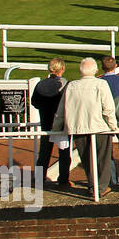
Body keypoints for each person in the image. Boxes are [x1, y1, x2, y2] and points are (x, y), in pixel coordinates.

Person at [52, 58, 119, 198]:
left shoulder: (71, 85)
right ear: (95, 70)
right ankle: (100, 187)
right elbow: (108, 108)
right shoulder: (101, 84)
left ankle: (93, 186)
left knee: (87, 159)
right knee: (102, 158)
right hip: (99, 128)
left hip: (78, 128)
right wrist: (113, 126)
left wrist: (56, 128)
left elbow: (61, 110)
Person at [31, 58, 71, 189]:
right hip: (62, 124)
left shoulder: (40, 85)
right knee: (64, 153)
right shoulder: (66, 84)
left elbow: (34, 102)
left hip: (46, 123)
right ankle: (63, 180)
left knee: (44, 153)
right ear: (62, 69)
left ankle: (38, 179)